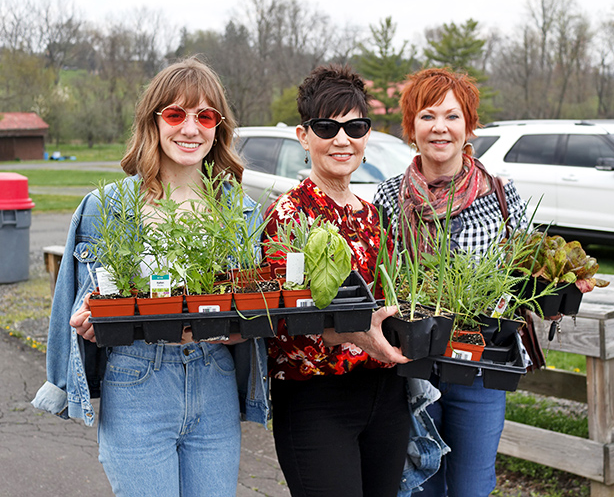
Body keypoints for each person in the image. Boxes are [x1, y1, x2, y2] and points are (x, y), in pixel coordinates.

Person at [31, 57, 269, 497]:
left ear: (219, 127)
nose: (190, 128)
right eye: (176, 114)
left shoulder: (241, 211)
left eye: (205, 116)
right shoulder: (106, 207)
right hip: (137, 382)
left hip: (213, 379)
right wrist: (87, 325)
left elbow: (253, 301)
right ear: (153, 122)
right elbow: (73, 301)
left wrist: (242, 327)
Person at [264, 64, 421, 497]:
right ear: (304, 135)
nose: (342, 139)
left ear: (367, 135)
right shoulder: (289, 216)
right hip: (318, 398)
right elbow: (283, 326)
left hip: (385, 396)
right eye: (327, 126)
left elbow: (390, 304)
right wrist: (354, 334)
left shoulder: (372, 215)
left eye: (354, 126)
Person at [373, 67, 528, 497]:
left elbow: (525, 270)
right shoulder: (388, 197)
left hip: (480, 366)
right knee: (420, 482)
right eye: (427, 116)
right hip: (412, 365)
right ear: (411, 128)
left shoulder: (499, 193)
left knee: (472, 484)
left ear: (468, 126)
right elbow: (378, 278)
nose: (439, 127)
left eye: (452, 116)